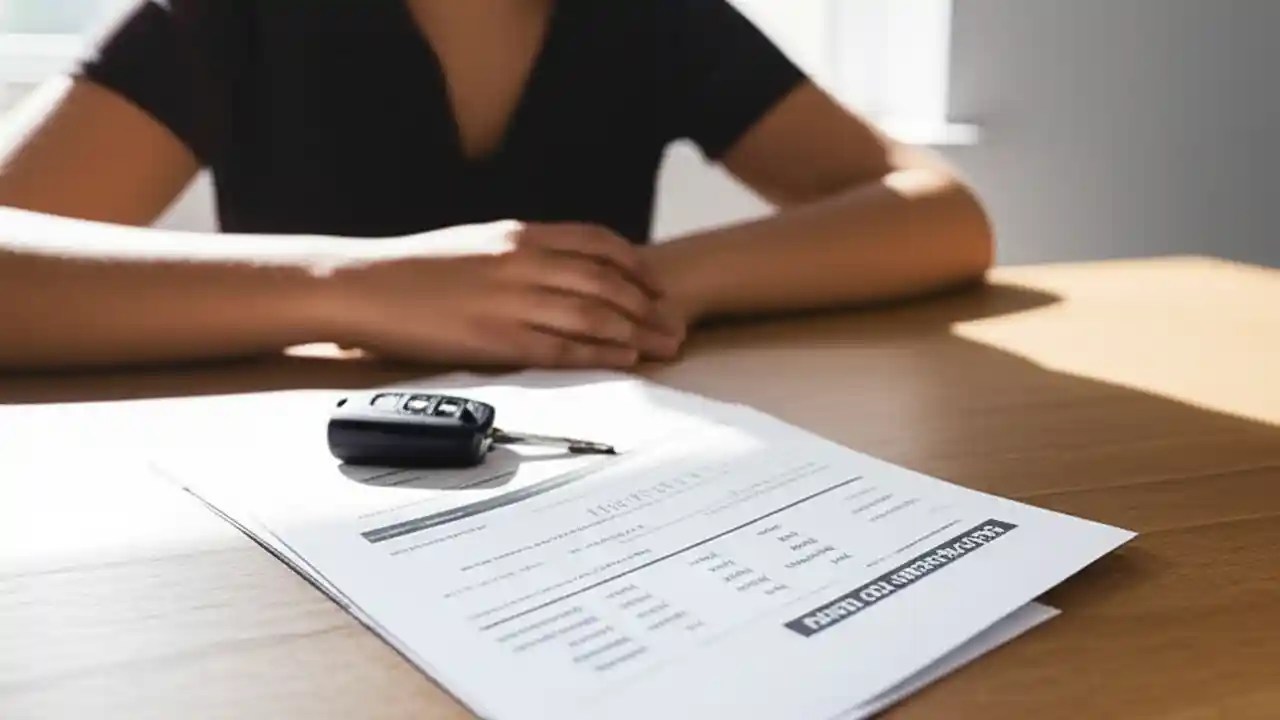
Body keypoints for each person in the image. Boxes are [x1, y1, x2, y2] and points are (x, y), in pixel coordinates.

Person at [0, 0, 993, 371]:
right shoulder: (227, 17)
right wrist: (349, 287)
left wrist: (638, 281)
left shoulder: (654, 19)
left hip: (593, 505)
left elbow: (941, 216)